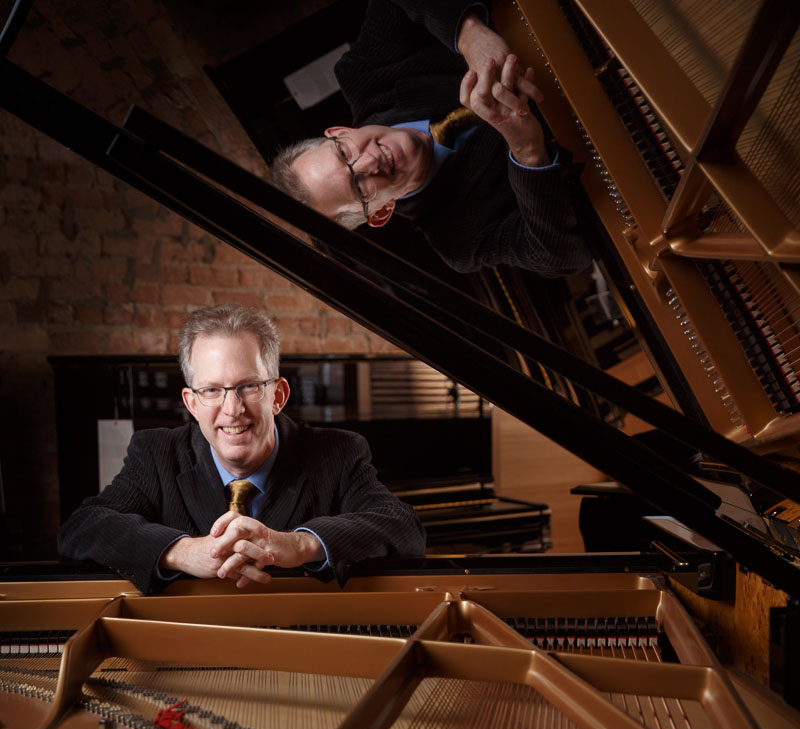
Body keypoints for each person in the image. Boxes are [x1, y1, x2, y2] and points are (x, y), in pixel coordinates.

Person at [58, 305, 425, 594]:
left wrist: (300, 544)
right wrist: (183, 552)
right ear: (191, 403)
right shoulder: (155, 454)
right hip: (188, 652)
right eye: (212, 390)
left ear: (278, 395)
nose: (233, 409)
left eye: (248, 386)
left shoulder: (339, 452)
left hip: (307, 649)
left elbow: (404, 527)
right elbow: (81, 528)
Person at [269, 1, 592, 276]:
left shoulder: (363, 74)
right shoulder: (459, 240)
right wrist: (527, 149)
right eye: (359, 187)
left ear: (339, 132)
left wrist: (468, 35)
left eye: (343, 153)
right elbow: (562, 257)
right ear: (380, 212)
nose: (369, 161)